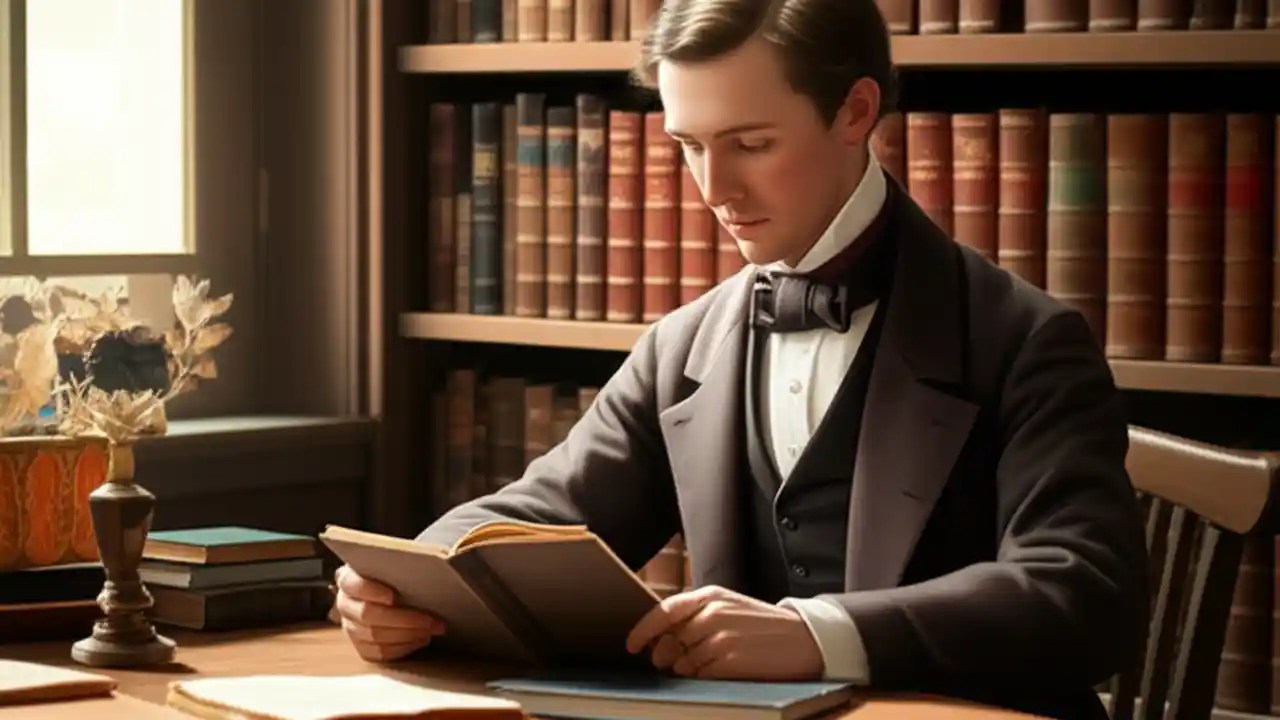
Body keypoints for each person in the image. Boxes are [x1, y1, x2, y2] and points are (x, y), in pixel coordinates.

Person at [335, 1, 1149, 717]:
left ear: (856, 110)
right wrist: (406, 587)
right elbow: (532, 516)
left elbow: (1082, 595)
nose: (713, 187)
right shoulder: (684, 344)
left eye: (751, 143)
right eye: (688, 145)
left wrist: (816, 633)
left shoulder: (1027, 340)